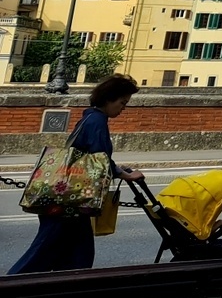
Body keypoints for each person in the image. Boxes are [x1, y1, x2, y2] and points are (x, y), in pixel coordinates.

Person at [9, 74, 144, 275]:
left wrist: (117, 168)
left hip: (71, 200)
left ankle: (70, 288)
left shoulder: (89, 117)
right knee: (42, 254)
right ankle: (10, 289)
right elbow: (100, 159)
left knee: (78, 253)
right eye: (122, 103)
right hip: (69, 202)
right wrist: (125, 175)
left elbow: (91, 156)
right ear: (109, 99)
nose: (123, 108)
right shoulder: (97, 121)